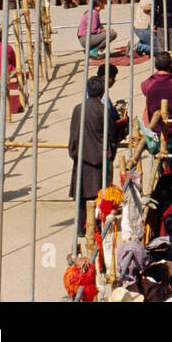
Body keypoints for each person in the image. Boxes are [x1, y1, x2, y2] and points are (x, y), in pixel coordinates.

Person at [68, 75, 121, 233]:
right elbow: (111, 135)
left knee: (82, 197)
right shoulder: (103, 110)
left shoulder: (78, 108)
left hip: (81, 157)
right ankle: (97, 227)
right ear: (102, 91)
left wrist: (75, 153)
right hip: (99, 159)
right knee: (99, 197)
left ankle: (81, 228)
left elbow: (73, 136)